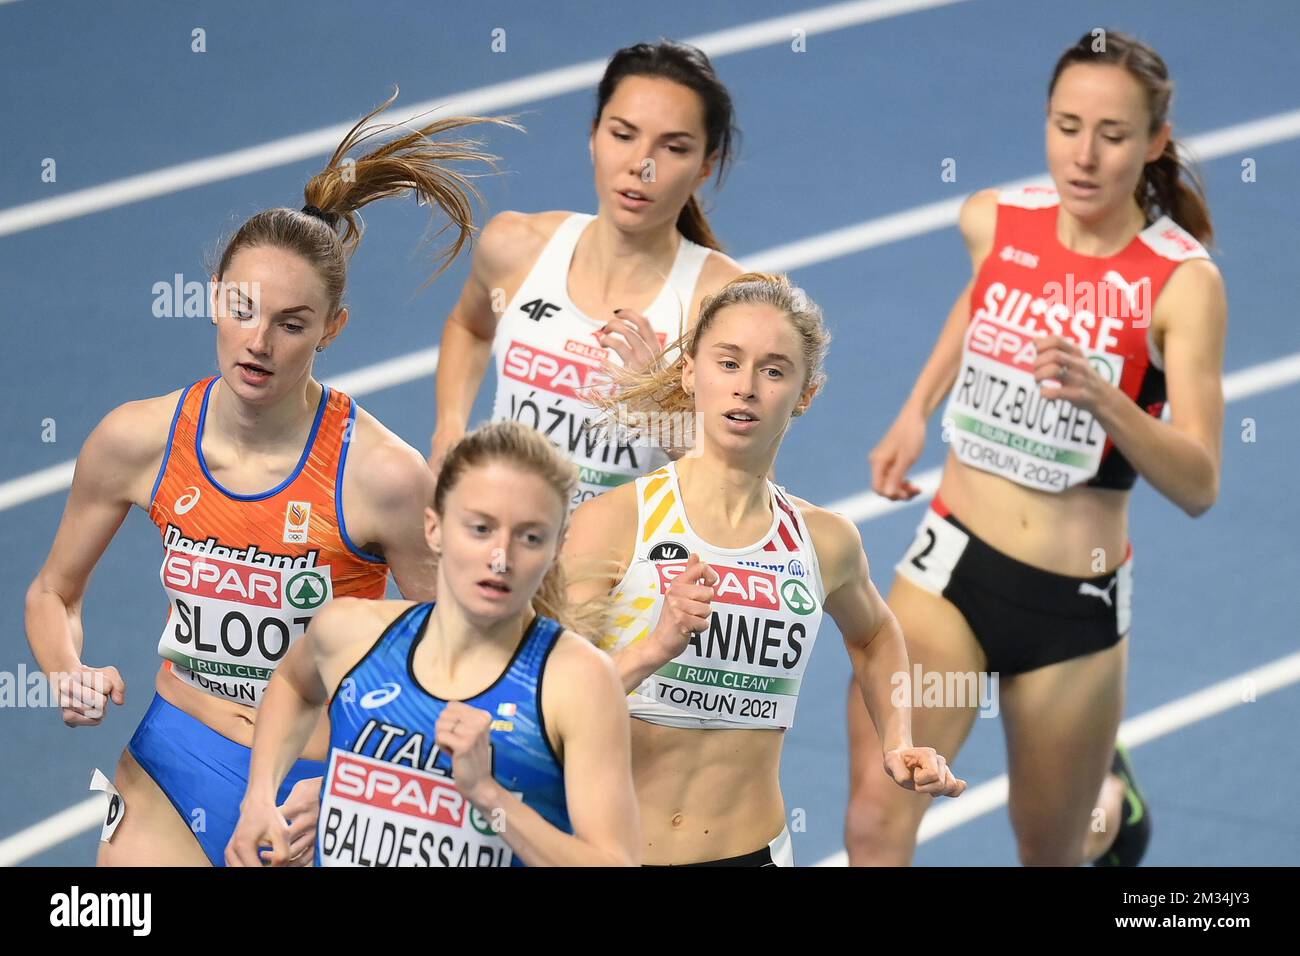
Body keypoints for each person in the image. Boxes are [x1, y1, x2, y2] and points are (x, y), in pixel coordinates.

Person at [25, 93, 505, 866]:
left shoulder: (381, 475)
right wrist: (65, 670)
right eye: (244, 310)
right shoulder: (136, 440)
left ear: (331, 329)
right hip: (172, 763)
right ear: (215, 298)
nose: (260, 343)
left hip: (316, 789)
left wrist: (368, 783)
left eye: (292, 323)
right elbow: (53, 593)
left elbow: (454, 658)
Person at [845, 30, 1226, 867]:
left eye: (1112, 135)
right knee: (876, 816)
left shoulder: (1181, 283)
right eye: (1066, 126)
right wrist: (916, 408)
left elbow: (1200, 483)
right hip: (951, 567)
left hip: (1071, 606)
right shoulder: (995, 220)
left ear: (1155, 142)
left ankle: (1113, 804)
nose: (1083, 156)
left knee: (1052, 848)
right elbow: (981, 302)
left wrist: (1106, 398)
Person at [563, 273, 965, 866]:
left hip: (754, 853)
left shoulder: (822, 542)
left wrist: (896, 739)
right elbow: (551, 696)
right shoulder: (615, 522)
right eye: (728, 363)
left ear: (806, 394)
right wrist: (655, 648)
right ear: (689, 372)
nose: (746, 388)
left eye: (774, 371)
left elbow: (875, 634)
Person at [226, 421, 639, 867]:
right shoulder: (351, 635)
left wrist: (489, 797)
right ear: (434, 528)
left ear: (557, 547)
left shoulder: (576, 681)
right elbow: (293, 684)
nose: (500, 558)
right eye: (480, 528)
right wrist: (260, 796)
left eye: (530, 537)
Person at [430, 40, 744, 509]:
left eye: (674, 147)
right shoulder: (515, 246)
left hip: (632, 554)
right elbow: (471, 327)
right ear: (594, 136)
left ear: (704, 167)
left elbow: (742, 484)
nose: (642, 165)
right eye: (623, 135)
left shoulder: (723, 303)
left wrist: (654, 406)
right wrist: (449, 428)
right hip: (507, 540)